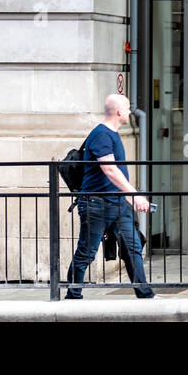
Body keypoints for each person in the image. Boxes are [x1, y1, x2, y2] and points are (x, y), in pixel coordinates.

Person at [64, 93, 154, 299]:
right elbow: (109, 169)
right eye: (128, 107)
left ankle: (145, 294)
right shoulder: (102, 135)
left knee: (133, 247)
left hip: (116, 203)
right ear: (120, 111)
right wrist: (135, 195)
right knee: (87, 252)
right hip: (96, 204)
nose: (131, 111)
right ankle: (73, 294)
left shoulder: (111, 134)